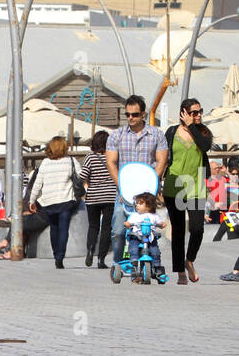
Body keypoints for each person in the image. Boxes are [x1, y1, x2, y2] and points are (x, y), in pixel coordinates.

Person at [106, 95, 168, 268]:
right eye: (127, 114)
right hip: (124, 190)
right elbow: (111, 161)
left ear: (143, 115)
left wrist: (152, 186)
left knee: (148, 230)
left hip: (147, 192)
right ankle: (118, 262)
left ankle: (147, 263)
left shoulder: (156, 134)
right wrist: (121, 186)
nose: (130, 118)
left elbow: (161, 161)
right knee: (118, 230)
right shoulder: (116, 135)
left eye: (134, 114)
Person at [162, 98, 211, 284]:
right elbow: (163, 155)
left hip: (196, 185)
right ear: (183, 113)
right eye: (193, 112)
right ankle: (180, 272)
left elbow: (205, 146)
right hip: (174, 186)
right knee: (178, 229)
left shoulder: (204, 132)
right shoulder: (172, 132)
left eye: (199, 112)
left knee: (198, 228)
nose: (198, 115)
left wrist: (192, 127)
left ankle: (189, 260)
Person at [27, 135, 81, 269]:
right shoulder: (71, 161)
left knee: (54, 227)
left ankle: (56, 252)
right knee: (64, 228)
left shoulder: (45, 163)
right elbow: (81, 177)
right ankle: (60, 257)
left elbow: (37, 183)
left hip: (49, 201)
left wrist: (32, 200)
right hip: (66, 200)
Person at [79, 130, 115, 268]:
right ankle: (101, 259)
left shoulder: (90, 157)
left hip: (93, 196)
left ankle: (90, 251)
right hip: (111, 196)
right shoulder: (113, 157)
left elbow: (83, 176)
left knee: (93, 226)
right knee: (107, 228)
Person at [124, 192, 165, 283]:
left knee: (155, 251)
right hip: (137, 237)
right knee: (134, 248)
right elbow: (128, 223)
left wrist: (161, 224)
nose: (137, 205)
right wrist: (128, 224)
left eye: (140, 203)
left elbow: (160, 223)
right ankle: (134, 262)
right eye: (137, 203)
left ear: (149, 206)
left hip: (150, 238)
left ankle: (157, 268)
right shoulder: (135, 216)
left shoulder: (154, 216)